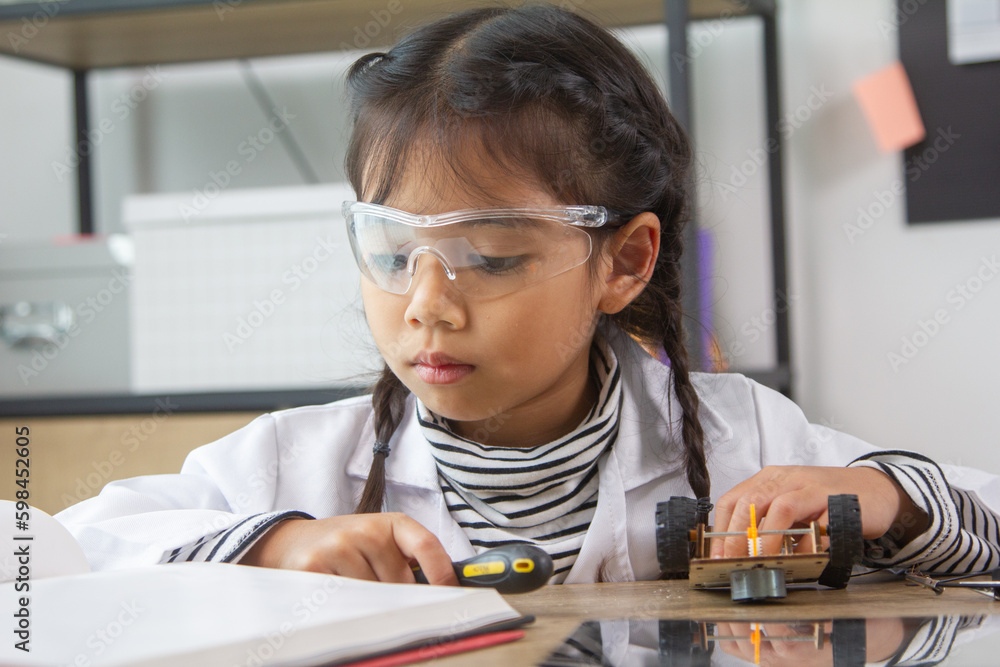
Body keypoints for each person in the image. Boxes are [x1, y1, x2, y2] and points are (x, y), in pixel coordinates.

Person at [57, 3, 1000, 586]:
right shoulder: (294, 469)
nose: (426, 302)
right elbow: (36, 558)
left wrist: (891, 497)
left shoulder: (744, 438)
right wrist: (272, 548)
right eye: (390, 251)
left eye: (492, 256)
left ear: (624, 262)